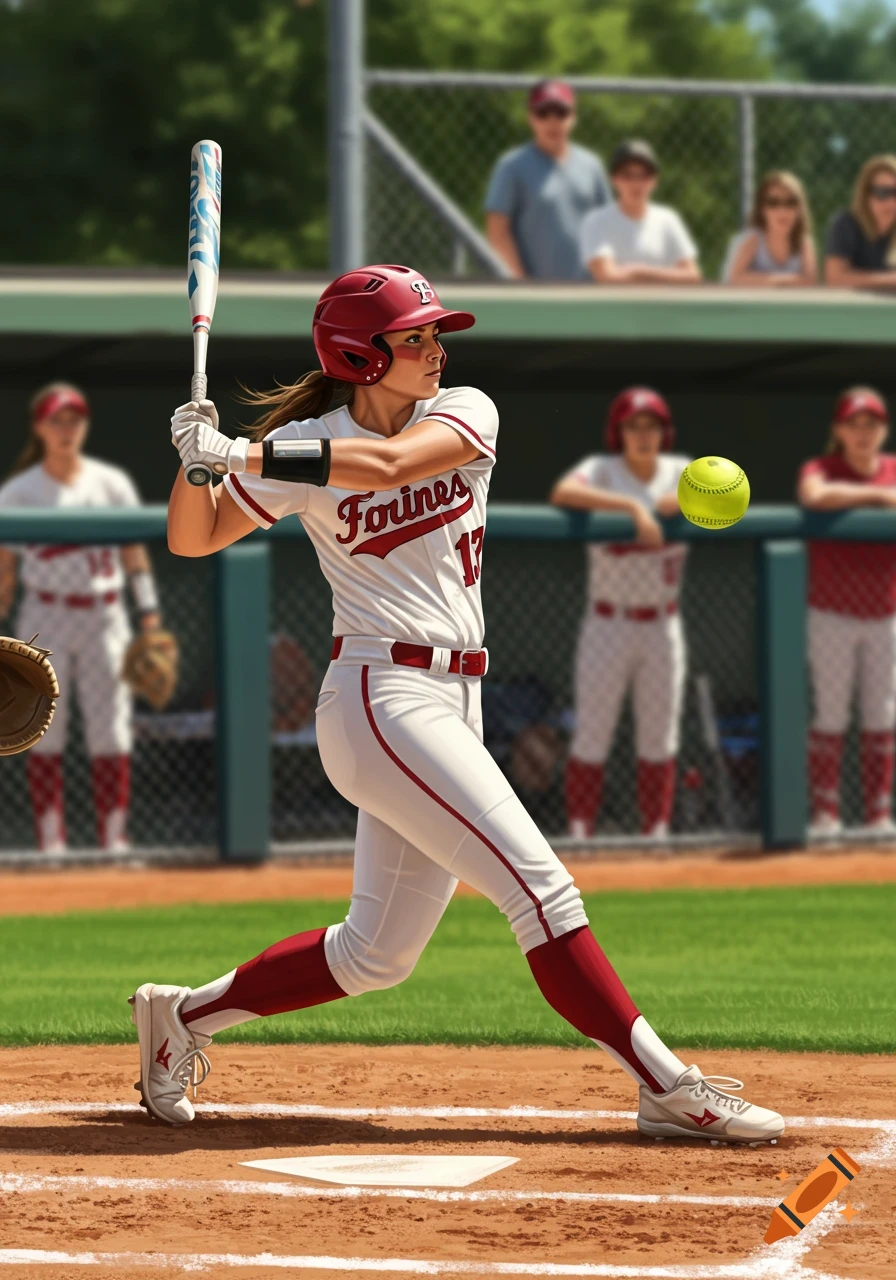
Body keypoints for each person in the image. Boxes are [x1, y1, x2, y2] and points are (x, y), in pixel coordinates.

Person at [129, 264, 782, 1145]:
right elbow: (191, 536)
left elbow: (393, 463)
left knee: (376, 955)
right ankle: (666, 1083)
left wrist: (242, 451)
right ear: (362, 354)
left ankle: (182, 1018)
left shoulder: (465, 411)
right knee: (541, 891)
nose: (436, 350)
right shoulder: (307, 441)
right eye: (415, 338)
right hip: (379, 695)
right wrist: (194, 462)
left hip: (455, 695)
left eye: (436, 334)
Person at [0, 383, 165, 853]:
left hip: (105, 612)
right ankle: (51, 842)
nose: (66, 430)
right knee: (44, 729)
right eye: (57, 420)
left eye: (74, 420)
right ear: (39, 428)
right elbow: (4, 567)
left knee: (110, 727)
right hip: (44, 614)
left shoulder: (109, 482)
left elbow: (134, 552)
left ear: (84, 426)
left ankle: (114, 838)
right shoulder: (20, 490)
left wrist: (149, 611)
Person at [550, 388, 690, 839]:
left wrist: (689, 500)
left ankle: (656, 832)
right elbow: (563, 493)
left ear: (663, 433)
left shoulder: (682, 471)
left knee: (659, 734)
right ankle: (580, 832)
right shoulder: (601, 471)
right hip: (608, 622)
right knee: (593, 730)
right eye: (634, 426)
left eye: (652, 426)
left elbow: (733, 494)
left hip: (662, 622)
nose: (643, 435)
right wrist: (634, 507)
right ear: (620, 431)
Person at [798, 386, 896, 835]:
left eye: (871, 424)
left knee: (882, 715)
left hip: (886, 612)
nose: (863, 433)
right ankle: (826, 814)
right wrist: (877, 498)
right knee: (830, 714)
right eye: (854, 424)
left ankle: (878, 814)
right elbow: (814, 495)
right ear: (839, 430)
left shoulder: (893, 468)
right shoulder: (821, 467)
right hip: (831, 612)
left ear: (884, 430)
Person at [484, 79, 609, 281]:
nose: (553, 122)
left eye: (561, 113)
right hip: (537, 293)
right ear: (530, 118)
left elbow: (607, 226)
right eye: (543, 113)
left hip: (589, 292)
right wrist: (520, 283)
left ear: (574, 117)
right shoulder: (512, 167)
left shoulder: (592, 166)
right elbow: (497, 232)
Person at [580, 140, 701, 285]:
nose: (636, 184)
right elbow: (607, 277)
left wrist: (637, 271)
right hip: (614, 307)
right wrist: (662, 275)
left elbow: (692, 275)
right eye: (627, 175)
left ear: (655, 181)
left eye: (644, 176)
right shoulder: (596, 220)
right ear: (613, 179)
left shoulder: (668, 219)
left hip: (661, 306)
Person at [723, 170, 817, 286]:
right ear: (762, 209)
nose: (782, 211)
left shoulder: (804, 242)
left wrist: (761, 279)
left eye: (791, 203)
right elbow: (735, 279)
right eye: (773, 203)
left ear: (800, 209)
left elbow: (810, 281)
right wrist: (785, 280)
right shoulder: (752, 240)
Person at [825, 154, 896, 289]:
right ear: (865, 195)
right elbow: (834, 278)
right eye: (883, 193)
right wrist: (891, 279)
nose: (891, 202)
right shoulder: (845, 224)